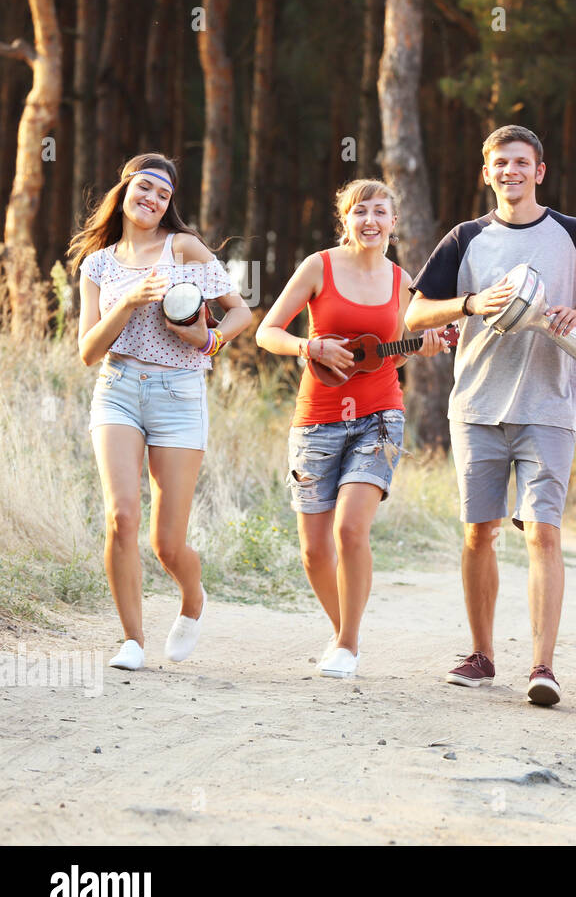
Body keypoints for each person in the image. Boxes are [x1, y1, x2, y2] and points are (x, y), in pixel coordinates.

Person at [405, 125, 576, 705]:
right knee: (479, 532)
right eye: (500, 163)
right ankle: (481, 655)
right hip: (477, 406)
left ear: (540, 171)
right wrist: (471, 304)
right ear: (487, 173)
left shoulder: (573, 235)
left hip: (548, 407)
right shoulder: (466, 238)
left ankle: (542, 667)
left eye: (521, 163)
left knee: (543, 534)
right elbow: (414, 316)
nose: (511, 171)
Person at [256, 179, 448, 679]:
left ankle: (346, 642)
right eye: (360, 211)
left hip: (381, 416)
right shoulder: (318, 266)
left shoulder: (405, 282)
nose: (370, 221)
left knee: (349, 529)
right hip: (316, 417)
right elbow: (267, 331)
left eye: (380, 212)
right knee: (314, 549)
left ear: (393, 222)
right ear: (345, 220)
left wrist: (425, 346)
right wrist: (309, 347)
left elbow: (406, 344)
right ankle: (346, 629)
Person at [70, 152, 253, 671]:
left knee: (167, 543)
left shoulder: (184, 247)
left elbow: (241, 312)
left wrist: (211, 340)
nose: (151, 199)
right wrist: (129, 300)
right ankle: (132, 639)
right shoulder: (98, 264)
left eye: (163, 194)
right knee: (121, 515)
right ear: (124, 190)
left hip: (179, 393)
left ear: (169, 205)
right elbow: (87, 351)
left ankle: (193, 599)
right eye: (143, 187)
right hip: (118, 388)